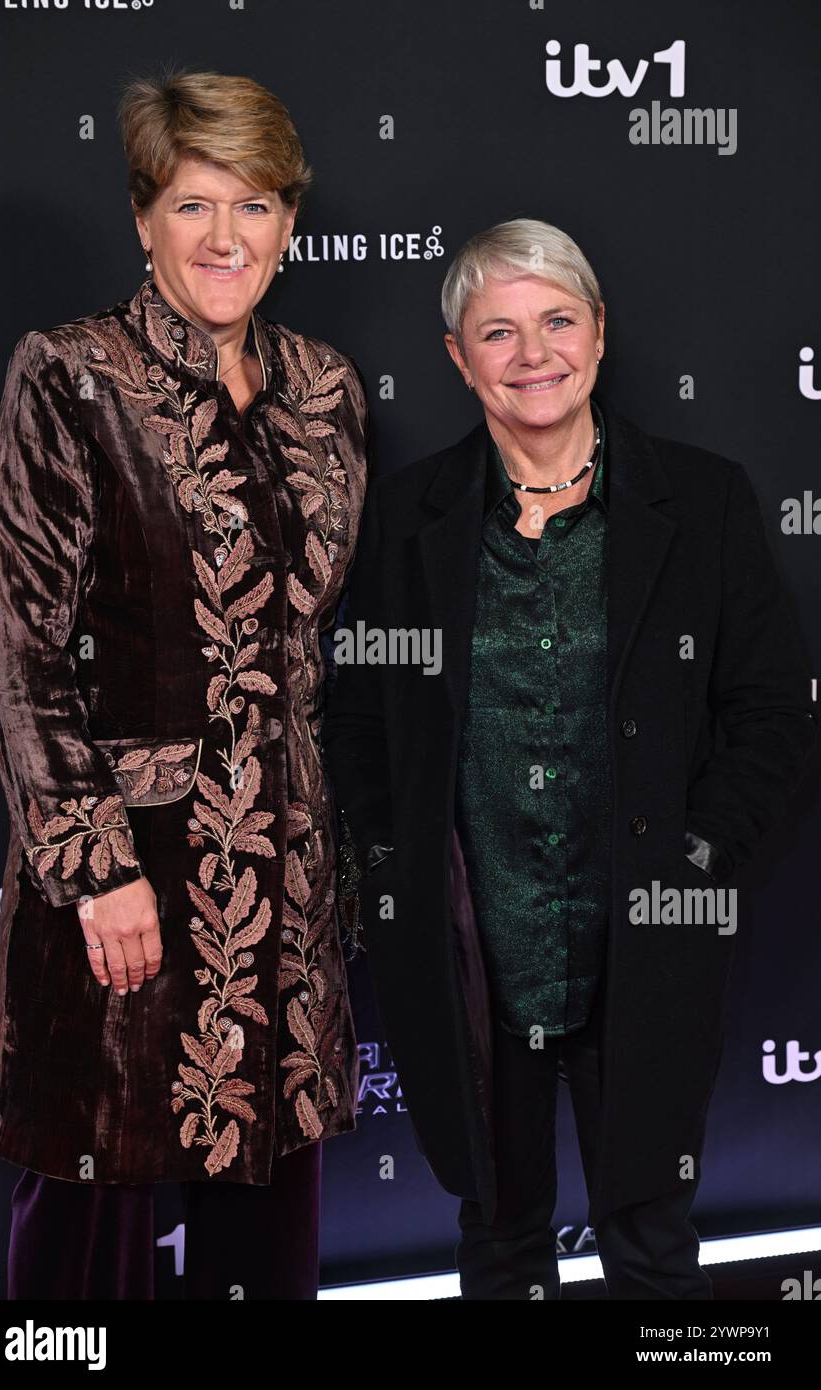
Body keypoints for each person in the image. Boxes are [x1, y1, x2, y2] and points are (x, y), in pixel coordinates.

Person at [323, 217, 818, 1299]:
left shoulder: (700, 500)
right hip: (471, 954)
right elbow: (357, 721)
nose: (531, 352)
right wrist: (393, 859)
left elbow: (771, 713)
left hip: (639, 943)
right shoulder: (409, 517)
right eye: (496, 331)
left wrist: (696, 859)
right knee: (496, 1238)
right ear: (457, 358)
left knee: (646, 1240)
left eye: (555, 321)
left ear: (598, 334)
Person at [0, 69, 368, 1301]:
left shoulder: (325, 388)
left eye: (253, 206)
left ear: (290, 226)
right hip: (129, 881)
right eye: (194, 204)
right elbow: (21, 642)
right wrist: (93, 870)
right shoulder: (69, 376)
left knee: (267, 1211)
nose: (224, 238)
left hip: (284, 887)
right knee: (92, 1214)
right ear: (143, 218)